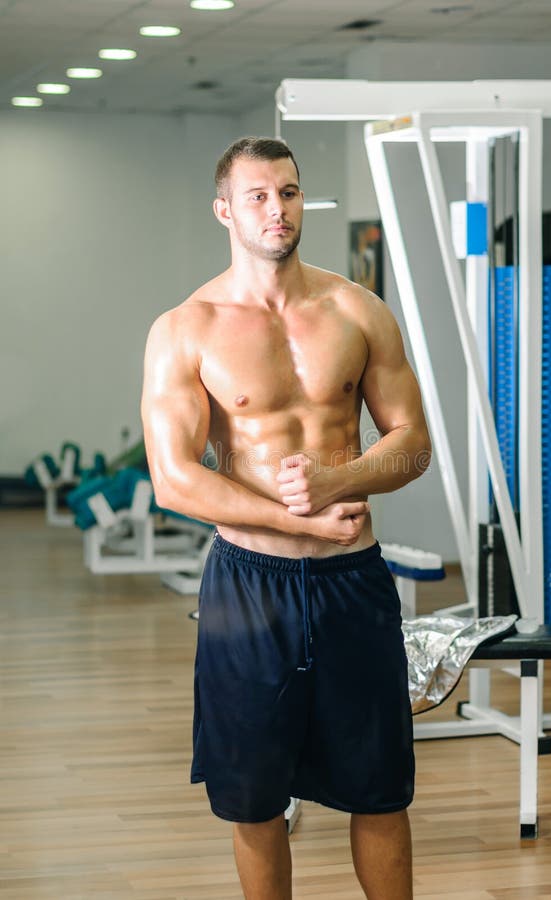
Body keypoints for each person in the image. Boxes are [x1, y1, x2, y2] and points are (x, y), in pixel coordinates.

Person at [141, 136, 431, 900]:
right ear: (224, 210)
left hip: (352, 583)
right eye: (259, 196)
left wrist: (341, 476)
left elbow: (414, 444)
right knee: (253, 796)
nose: (278, 209)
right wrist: (305, 521)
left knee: (380, 787)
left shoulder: (355, 310)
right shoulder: (185, 328)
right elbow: (174, 482)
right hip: (249, 588)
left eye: (290, 192)